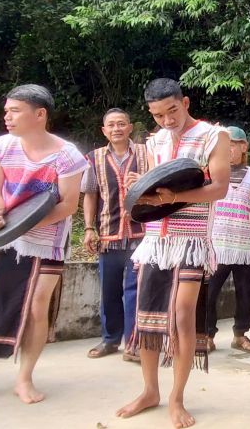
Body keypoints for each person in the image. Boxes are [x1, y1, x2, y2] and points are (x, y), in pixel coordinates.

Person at [0, 84, 87, 405]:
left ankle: (24, 378)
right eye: (7, 110)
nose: (6, 116)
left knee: (38, 307)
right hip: (8, 238)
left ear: (40, 115)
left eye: (14, 111)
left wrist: (22, 224)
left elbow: (67, 206)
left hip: (49, 240)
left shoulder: (68, 156)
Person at [117, 78, 229, 428]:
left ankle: (177, 398)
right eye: (157, 114)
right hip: (155, 241)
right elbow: (151, 192)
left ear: (186, 102)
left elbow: (219, 188)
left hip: (192, 239)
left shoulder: (214, 136)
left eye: (172, 111)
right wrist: (139, 191)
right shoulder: (154, 141)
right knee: (147, 318)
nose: (166, 120)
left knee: (182, 315)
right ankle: (150, 391)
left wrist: (173, 199)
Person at [82, 108, 148, 361]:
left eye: (122, 123)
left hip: (140, 234)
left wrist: (143, 180)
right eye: (111, 125)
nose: (117, 128)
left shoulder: (146, 154)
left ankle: (133, 344)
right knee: (109, 291)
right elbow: (90, 194)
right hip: (108, 235)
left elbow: (160, 185)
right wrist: (89, 228)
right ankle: (110, 340)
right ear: (104, 130)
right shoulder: (94, 158)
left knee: (135, 290)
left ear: (130, 127)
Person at [206, 126, 250, 354]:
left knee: (245, 293)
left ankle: (240, 335)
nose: (228, 149)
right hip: (216, 245)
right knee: (209, 292)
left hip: (243, 246)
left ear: (244, 147)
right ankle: (207, 335)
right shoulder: (212, 174)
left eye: (233, 144)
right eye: (224, 145)